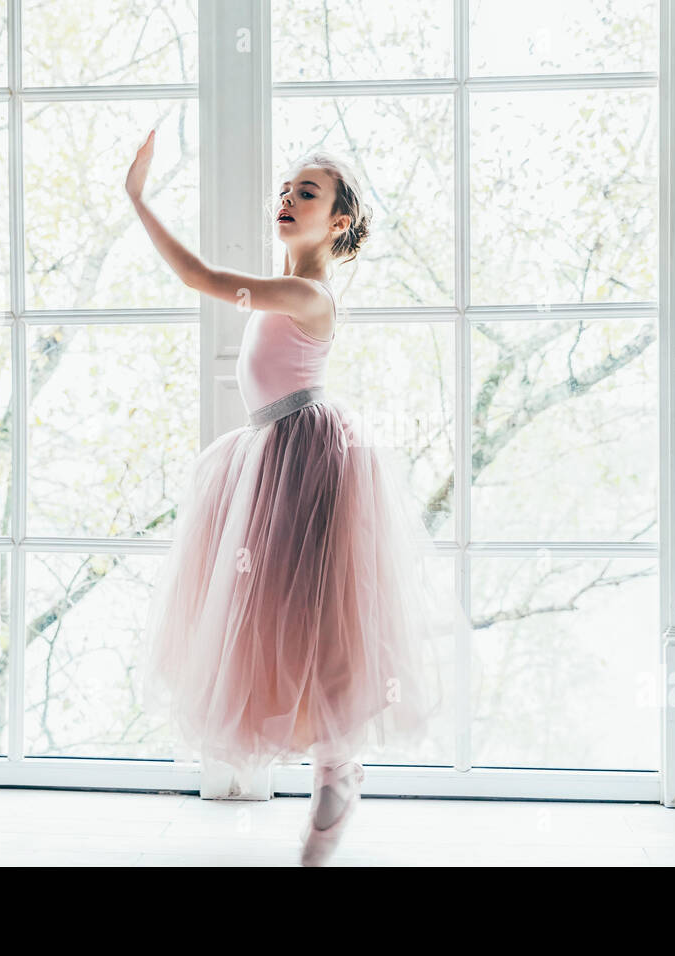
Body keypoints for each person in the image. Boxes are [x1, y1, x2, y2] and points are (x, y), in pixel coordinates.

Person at [126, 130, 452, 866]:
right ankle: (333, 767)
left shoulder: (306, 293)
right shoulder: (287, 288)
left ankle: (337, 770)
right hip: (267, 448)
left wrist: (138, 200)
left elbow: (203, 278)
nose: (287, 199)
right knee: (281, 613)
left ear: (337, 222)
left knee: (318, 611)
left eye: (306, 193)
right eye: (286, 190)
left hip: (304, 453)